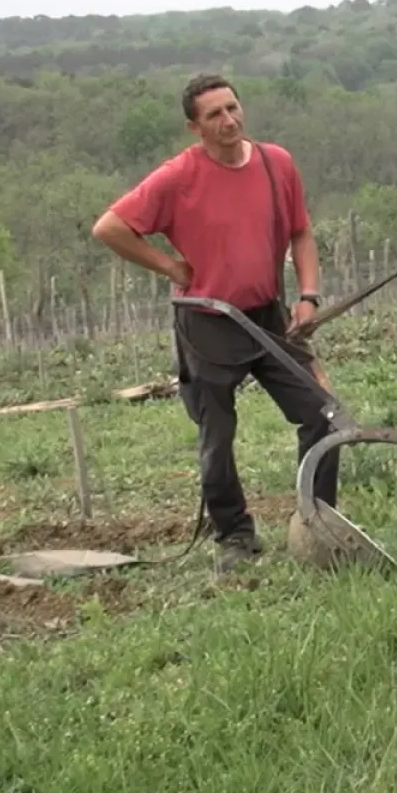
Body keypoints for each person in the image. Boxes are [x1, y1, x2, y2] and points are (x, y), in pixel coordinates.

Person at [92, 72, 336, 573]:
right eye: (214, 115)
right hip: (208, 321)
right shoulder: (178, 176)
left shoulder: (275, 163)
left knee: (323, 413)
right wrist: (169, 266)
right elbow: (110, 227)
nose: (228, 120)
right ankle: (234, 537)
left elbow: (302, 233)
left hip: (266, 315)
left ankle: (319, 522)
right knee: (217, 436)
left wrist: (308, 296)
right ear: (194, 127)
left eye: (232, 108)